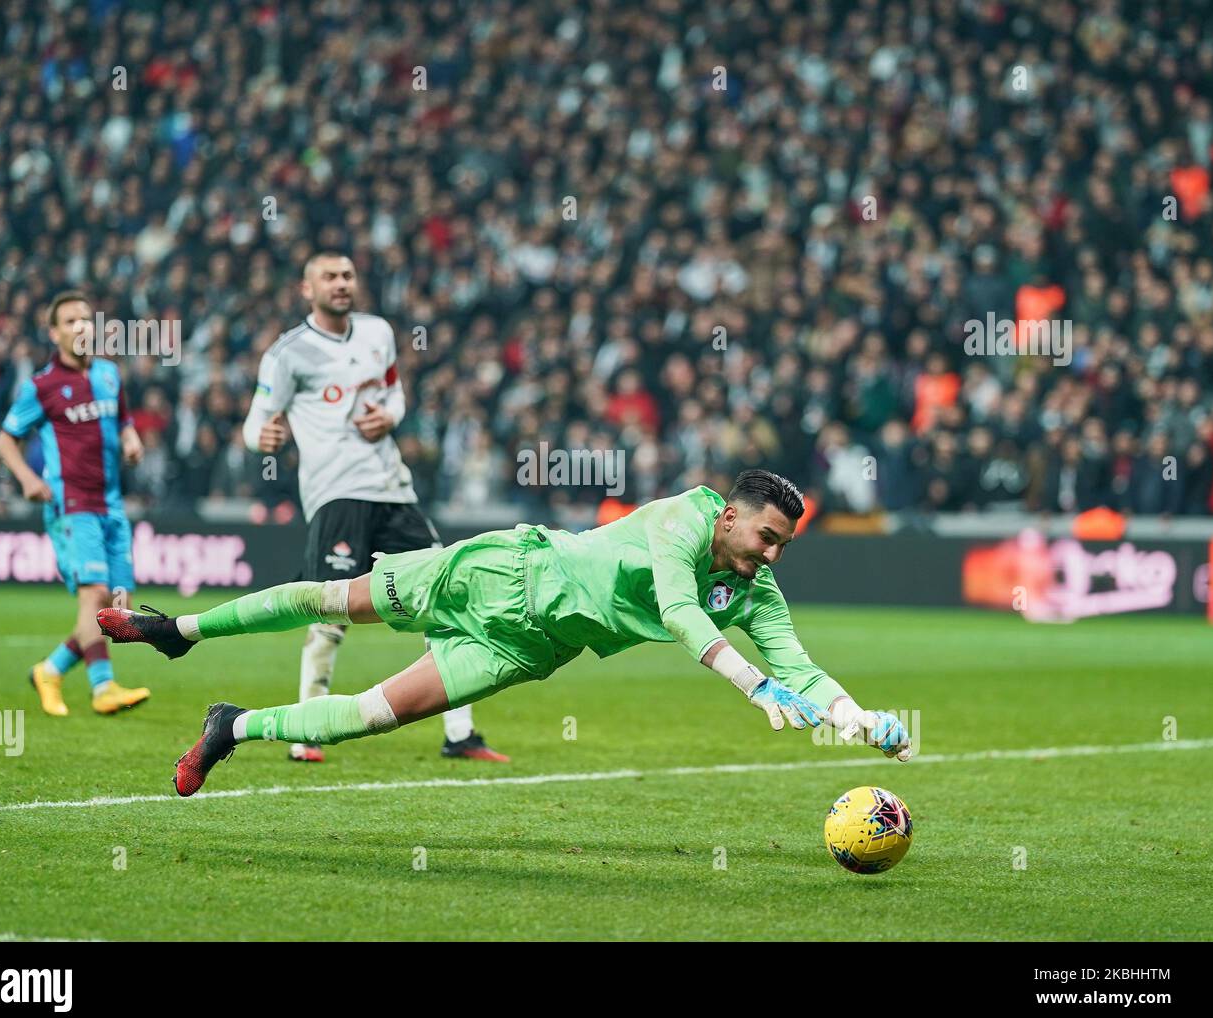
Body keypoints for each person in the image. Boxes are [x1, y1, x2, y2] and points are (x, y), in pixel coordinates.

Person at [98, 470, 912, 797]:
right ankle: (180, 628)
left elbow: (800, 667)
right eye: (765, 537)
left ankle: (230, 725)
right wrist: (748, 680)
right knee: (332, 600)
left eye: (782, 547)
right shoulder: (685, 518)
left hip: (528, 645)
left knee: (367, 717)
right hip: (502, 573)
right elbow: (676, 608)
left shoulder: (755, 590)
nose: (770, 555)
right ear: (732, 516)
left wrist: (860, 721)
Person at [240, 251, 507, 763]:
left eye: (347, 276)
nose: (341, 284)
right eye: (329, 277)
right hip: (337, 493)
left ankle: (460, 735)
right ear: (306, 289)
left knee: (447, 596)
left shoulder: (377, 332)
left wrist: (389, 416)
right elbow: (256, 422)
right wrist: (263, 438)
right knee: (330, 612)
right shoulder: (287, 354)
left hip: (394, 489)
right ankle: (306, 731)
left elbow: (396, 395)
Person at [0, 291, 150, 716]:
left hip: (112, 506)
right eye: (70, 321)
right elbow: (5, 439)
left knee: (118, 609)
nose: (81, 327)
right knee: (95, 595)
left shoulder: (109, 375)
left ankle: (50, 669)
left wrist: (131, 439)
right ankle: (103, 688)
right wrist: (27, 479)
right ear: (54, 332)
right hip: (72, 504)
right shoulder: (42, 386)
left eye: (86, 319)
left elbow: (123, 420)